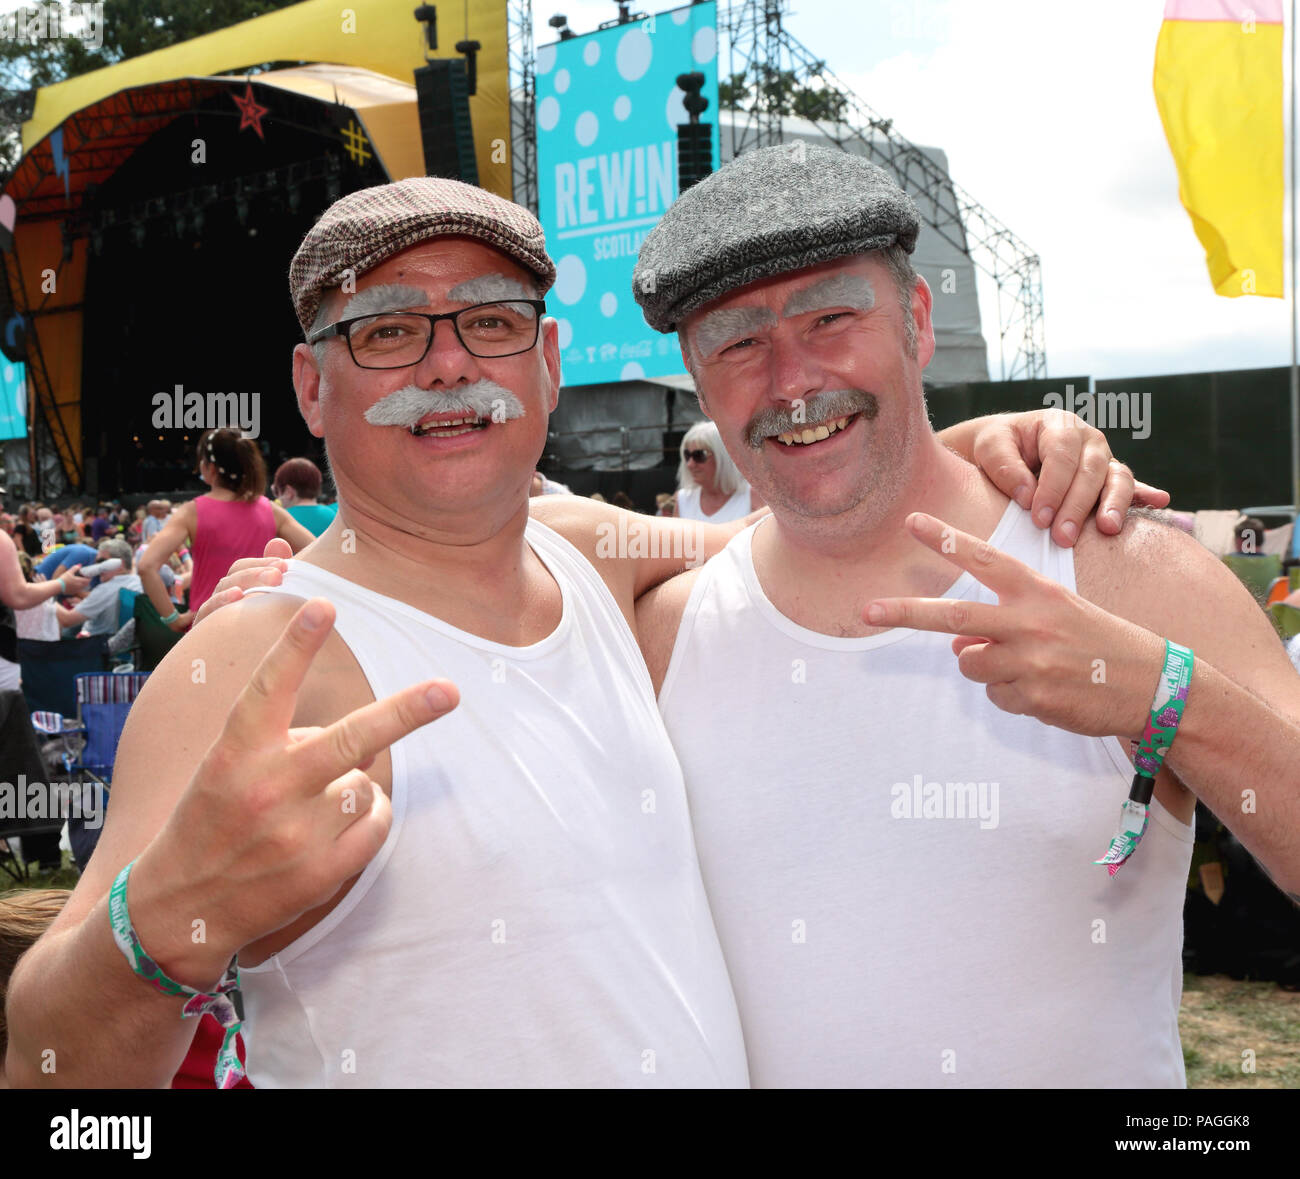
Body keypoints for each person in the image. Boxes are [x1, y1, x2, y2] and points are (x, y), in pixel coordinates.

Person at [5, 176, 1148, 1090]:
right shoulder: (256, 659)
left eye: (490, 323)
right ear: (311, 387)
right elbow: (47, 1068)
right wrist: (162, 927)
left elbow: (806, 529)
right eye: (387, 331)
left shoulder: (588, 552)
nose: (447, 362)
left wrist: (978, 443)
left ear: (547, 366)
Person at [627, 144, 1300, 1086]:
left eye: (831, 318)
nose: (791, 379)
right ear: (700, 383)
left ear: (917, 319)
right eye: (739, 343)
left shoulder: (1120, 570)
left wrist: (1166, 696)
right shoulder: (663, 635)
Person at [137, 428, 314, 628]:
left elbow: (146, 566)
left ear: (211, 468)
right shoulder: (271, 511)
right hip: (261, 627)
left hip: (207, 627)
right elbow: (317, 552)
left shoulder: (191, 512)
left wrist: (173, 619)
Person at [674, 420, 763, 522]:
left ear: (723, 457)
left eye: (699, 455)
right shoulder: (683, 500)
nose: (690, 464)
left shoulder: (752, 497)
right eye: (687, 455)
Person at [59, 538, 141, 638]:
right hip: (125, 642)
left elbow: (66, 620)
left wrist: (52, 589)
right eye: (97, 563)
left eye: (102, 562)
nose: (98, 567)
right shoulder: (139, 582)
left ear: (120, 564)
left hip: (98, 642)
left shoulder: (105, 589)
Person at [272, 458, 338, 537]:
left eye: (276, 491)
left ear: (289, 491)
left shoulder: (280, 522)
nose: (278, 498)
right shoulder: (335, 516)